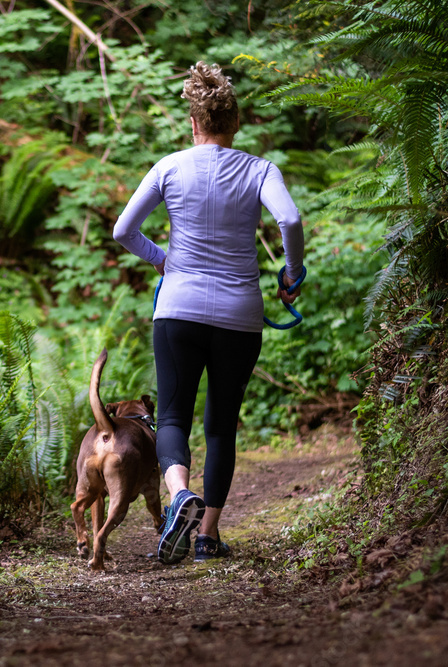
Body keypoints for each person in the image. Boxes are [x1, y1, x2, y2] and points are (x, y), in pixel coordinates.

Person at [113, 62, 304, 564]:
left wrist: (163, 259)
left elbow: (123, 231)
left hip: (178, 308)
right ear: (234, 123)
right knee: (221, 424)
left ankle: (180, 496)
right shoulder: (260, 169)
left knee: (173, 415)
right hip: (240, 315)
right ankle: (208, 537)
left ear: (193, 123)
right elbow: (289, 217)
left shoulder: (169, 167)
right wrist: (292, 271)